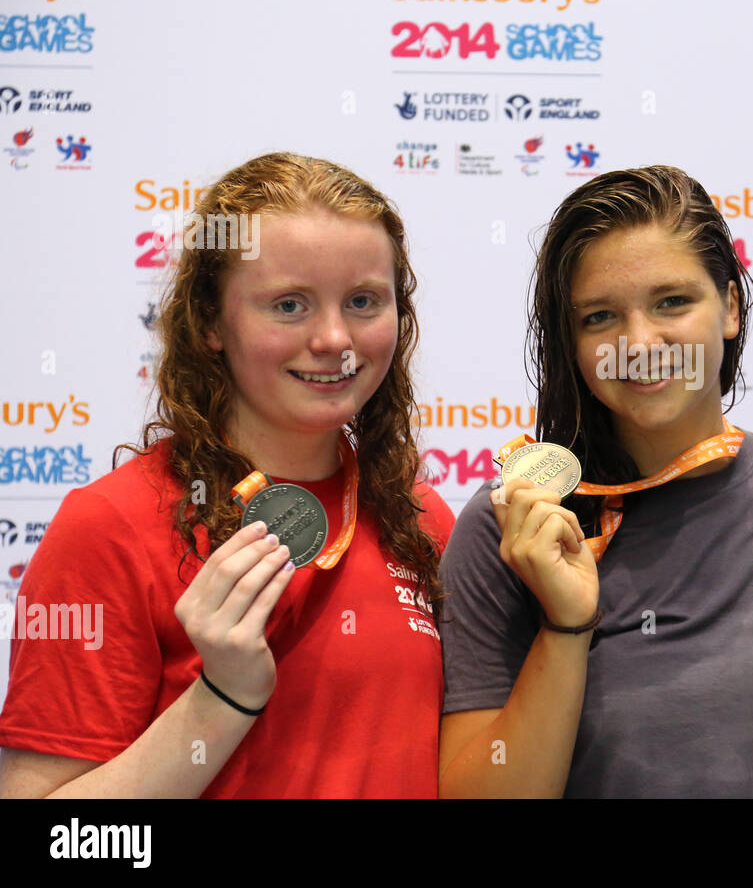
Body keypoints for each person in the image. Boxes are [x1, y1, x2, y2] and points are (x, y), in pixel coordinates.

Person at [0, 153, 453, 797]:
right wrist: (221, 697)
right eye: (289, 304)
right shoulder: (112, 527)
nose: (334, 337)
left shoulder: (422, 519)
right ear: (211, 322)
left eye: (363, 301)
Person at [437, 166, 753, 797]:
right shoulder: (515, 523)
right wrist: (566, 628)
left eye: (672, 302)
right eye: (600, 316)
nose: (637, 343)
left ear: (730, 307)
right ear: (571, 341)